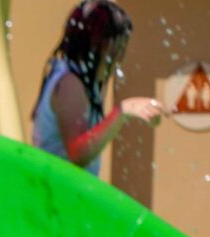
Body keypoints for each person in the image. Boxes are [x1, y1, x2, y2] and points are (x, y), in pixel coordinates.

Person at [31, 0, 163, 174]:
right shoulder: (70, 84)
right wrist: (120, 113)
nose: (120, 57)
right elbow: (77, 154)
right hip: (57, 195)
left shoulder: (79, 80)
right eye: (118, 47)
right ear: (95, 43)